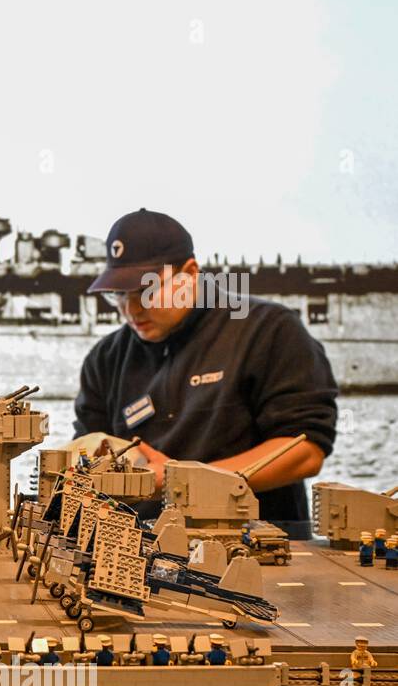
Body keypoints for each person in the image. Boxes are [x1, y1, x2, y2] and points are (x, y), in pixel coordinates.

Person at [75, 209, 338, 538]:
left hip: (258, 546)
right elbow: (88, 454)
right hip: (139, 551)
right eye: (119, 294)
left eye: (145, 291)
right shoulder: (105, 358)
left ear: (190, 273)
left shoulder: (270, 331)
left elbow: (304, 452)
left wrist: (179, 481)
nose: (131, 309)